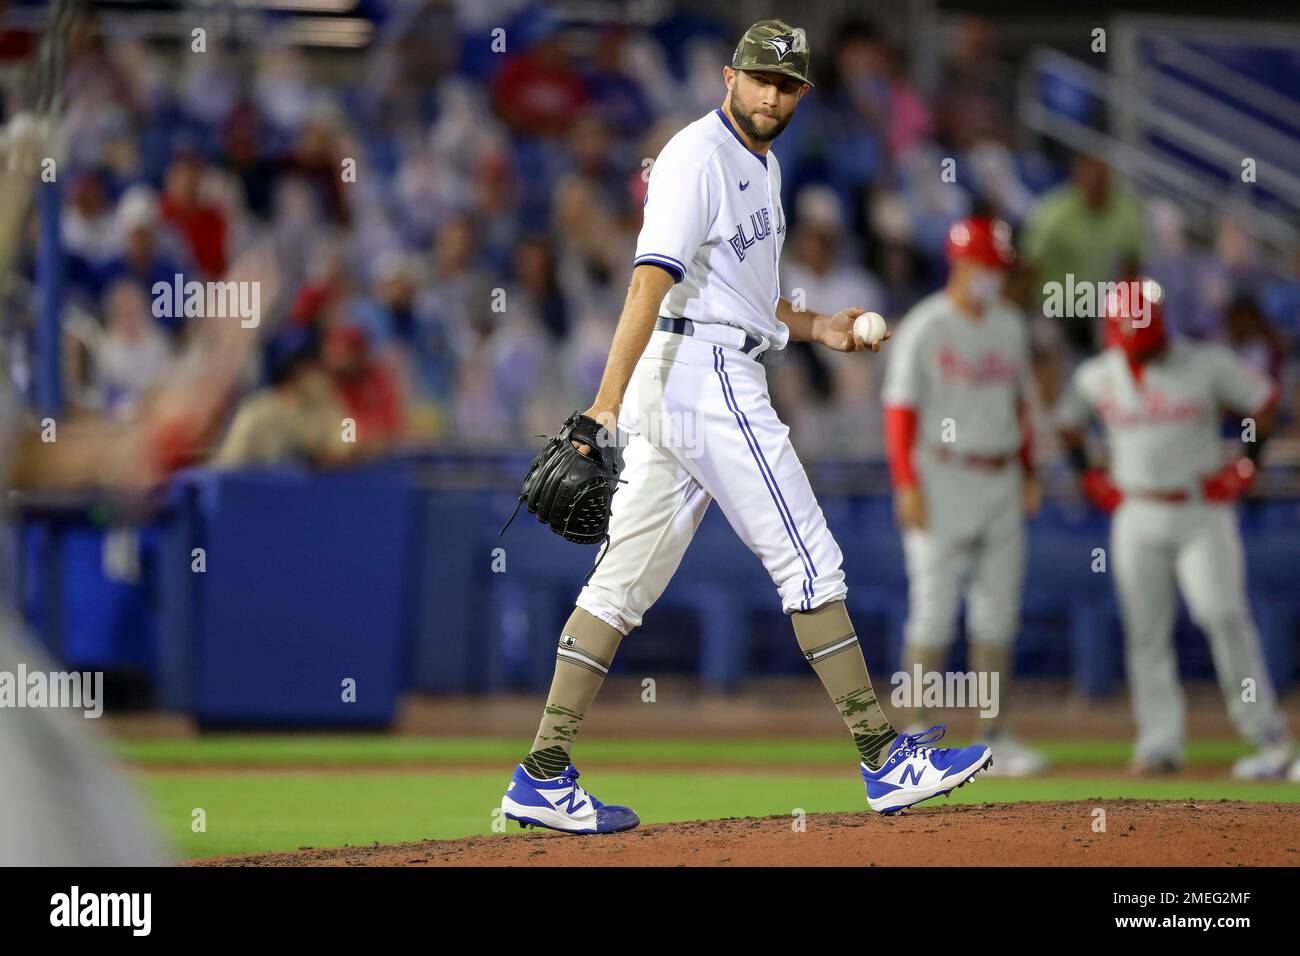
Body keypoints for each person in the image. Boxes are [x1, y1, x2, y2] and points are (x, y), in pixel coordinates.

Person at [499, 20, 994, 834]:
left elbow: (740, 300)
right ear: (729, 76)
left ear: (802, 93)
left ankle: (542, 774)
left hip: (699, 367)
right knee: (809, 558)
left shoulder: (759, 167)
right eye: (759, 78)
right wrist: (602, 407)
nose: (770, 94)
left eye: (786, 83)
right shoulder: (697, 155)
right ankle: (883, 758)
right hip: (703, 379)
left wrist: (817, 327)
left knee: (621, 585)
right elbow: (647, 284)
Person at [1055, 278, 1295, 779]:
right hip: (1136, 511)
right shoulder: (1100, 374)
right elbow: (1067, 421)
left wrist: (1246, 466)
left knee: (1224, 615)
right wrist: (1089, 477)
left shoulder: (1204, 362)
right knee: (1146, 632)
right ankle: (1159, 742)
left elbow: (1265, 399)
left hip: (1200, 508)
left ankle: (1268, 738)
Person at [881, 216, 1048, 776]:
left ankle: (995, 735)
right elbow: (900, 411)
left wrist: (1028, 471)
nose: (995, 278)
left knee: (997, 613)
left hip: (999, 476)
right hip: (941, 475)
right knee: (932, 610)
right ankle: (916, 739)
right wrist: (906, 483)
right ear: (962, 264)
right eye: (987, 266)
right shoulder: (926, 326)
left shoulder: (1009, 325)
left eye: (999, 268)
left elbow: (1022, 408)